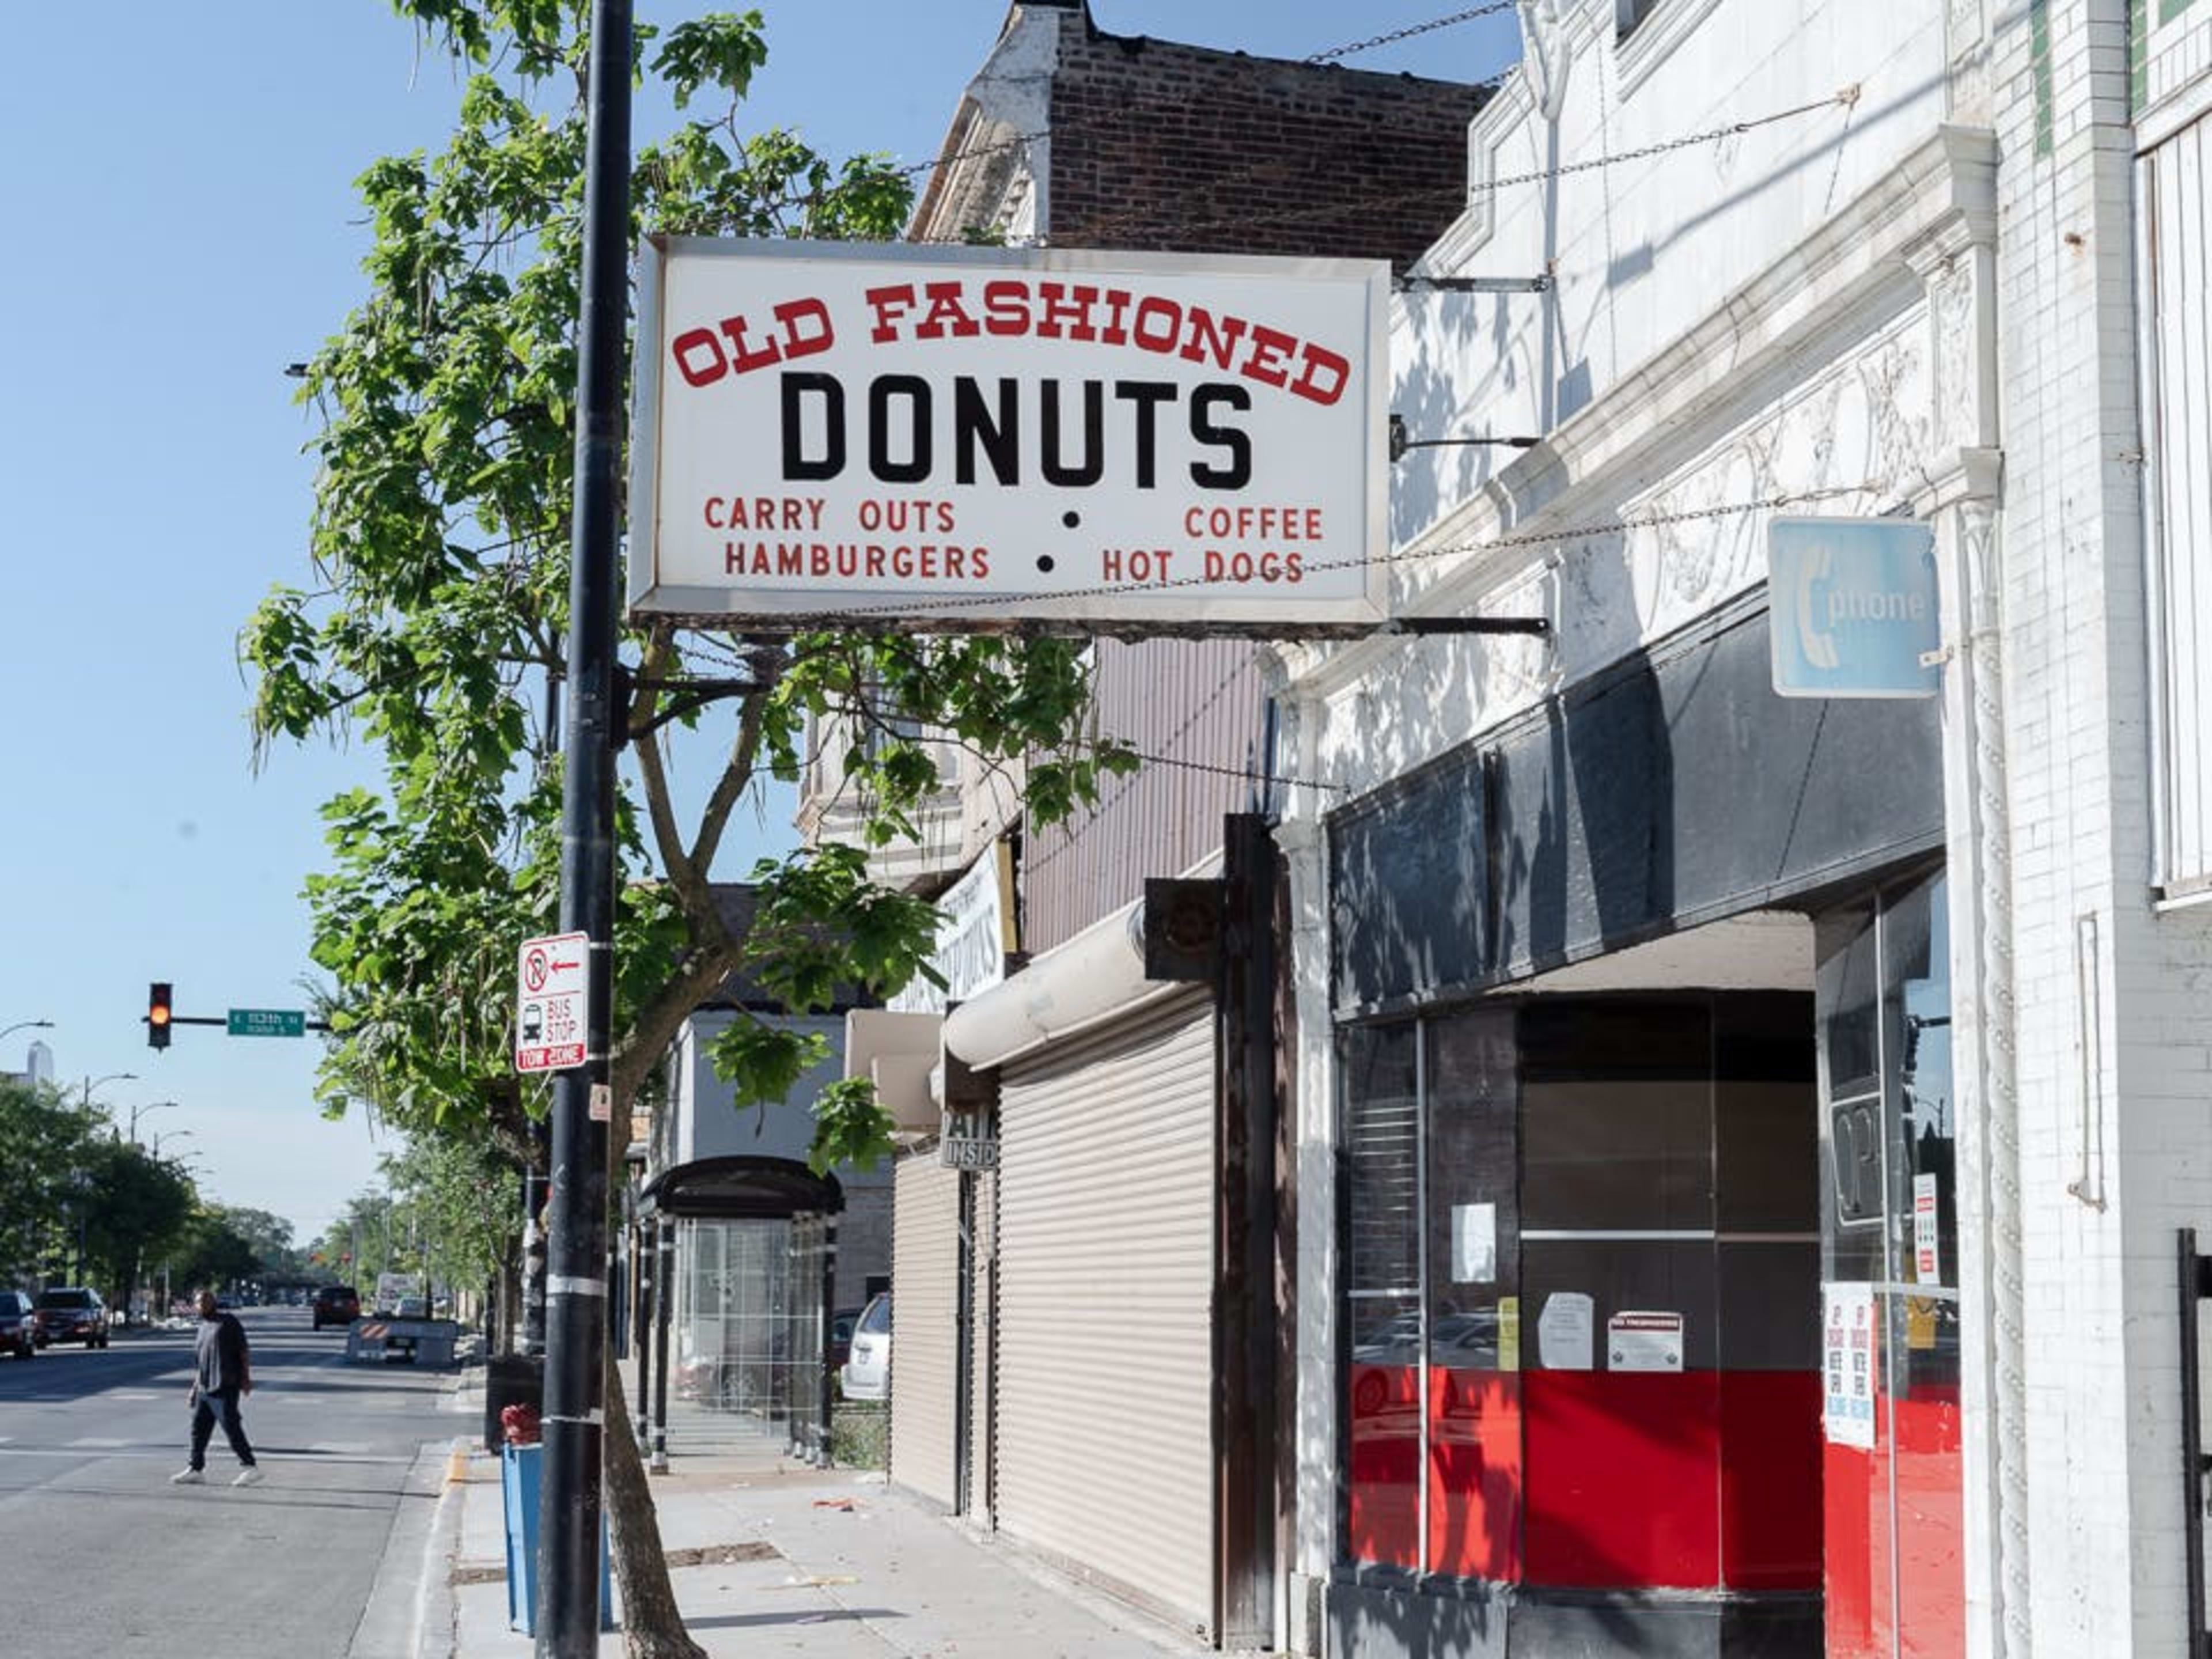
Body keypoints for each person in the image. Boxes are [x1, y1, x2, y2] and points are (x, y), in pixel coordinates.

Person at [171, 1290, 262, 1487]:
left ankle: (250, 1467)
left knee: (231, 1427)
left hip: (225, 1384)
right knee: (198, 1429)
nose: (202, 1305)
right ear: (194, 1306)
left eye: (206, 1301)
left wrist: (246, 1378)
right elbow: (202, 1362)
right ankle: (196, 1469)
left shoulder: (228, 1322)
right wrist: (195, 1388)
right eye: (198, 1302)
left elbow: (243, 1351)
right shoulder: (203, 1327)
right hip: (205, 1387)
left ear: (214, 1303)